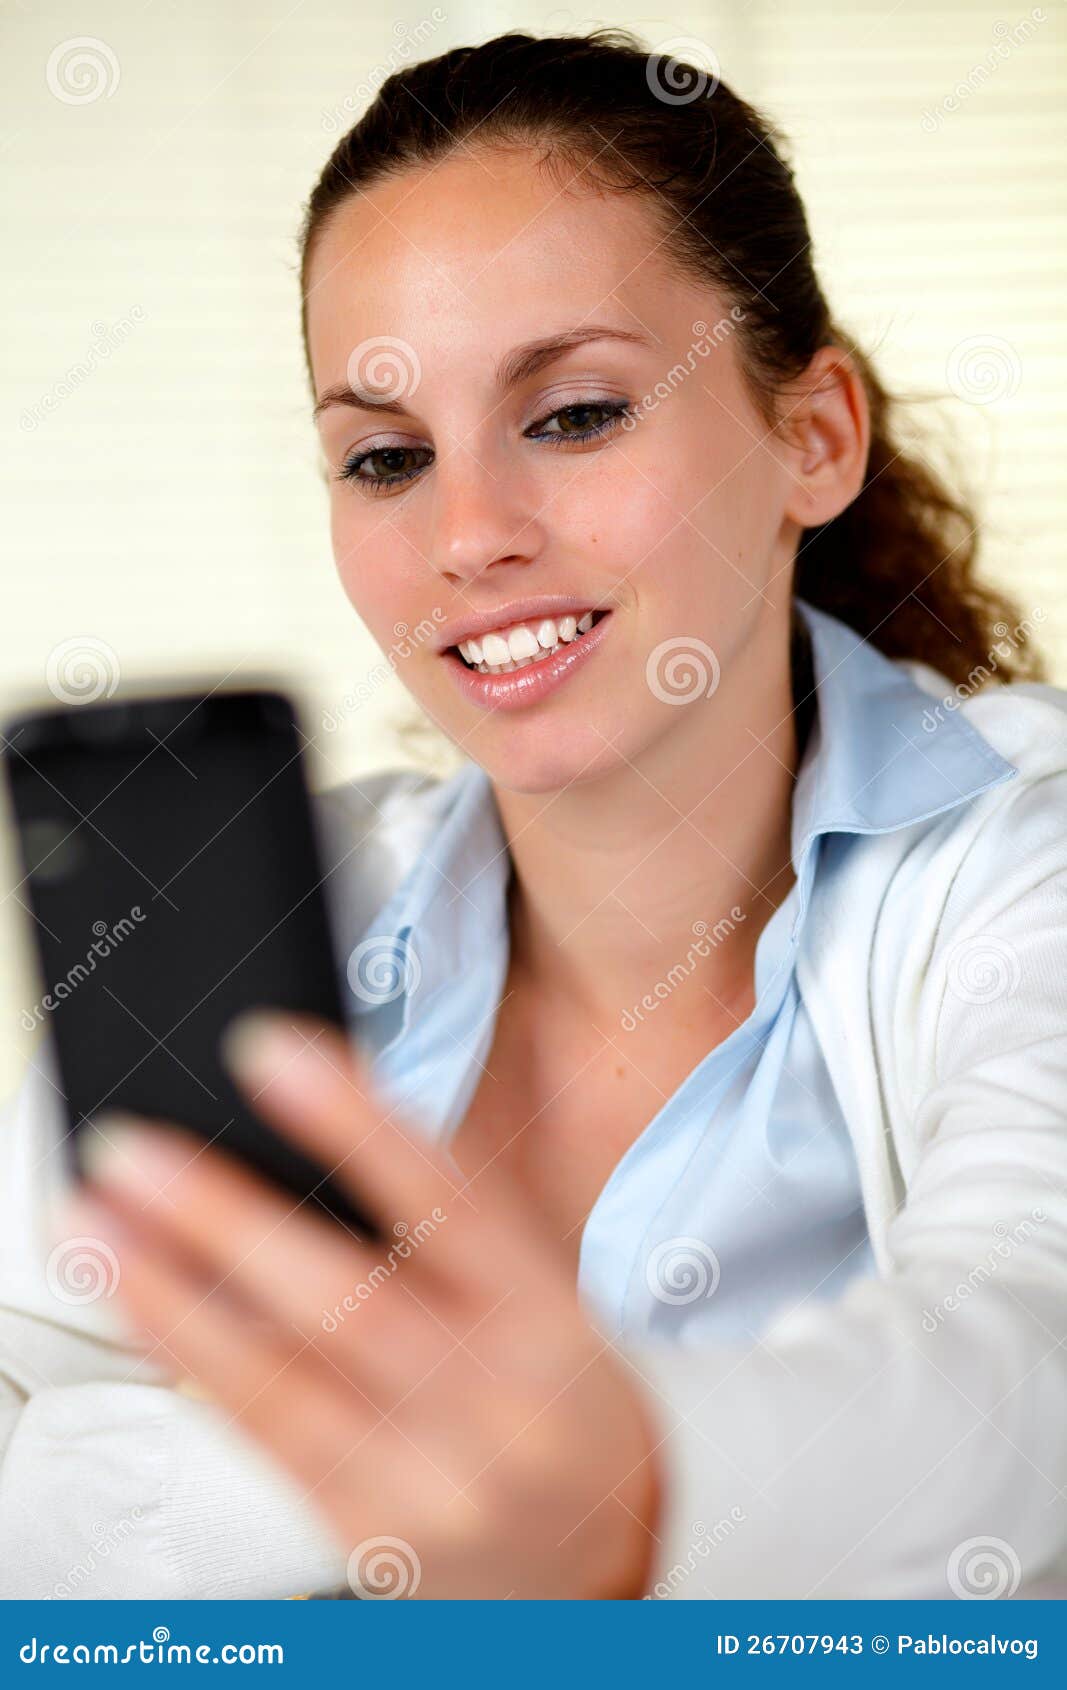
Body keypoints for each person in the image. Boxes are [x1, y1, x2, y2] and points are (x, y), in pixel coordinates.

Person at [5, 27, 1067, 1600]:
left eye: (573, 413)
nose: (471, 534)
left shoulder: (1019, 849)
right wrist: (478, 1467)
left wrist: (614, 1478)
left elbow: (1021, 1385)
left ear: (812, 436)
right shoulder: (267, 904)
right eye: (385, 456)